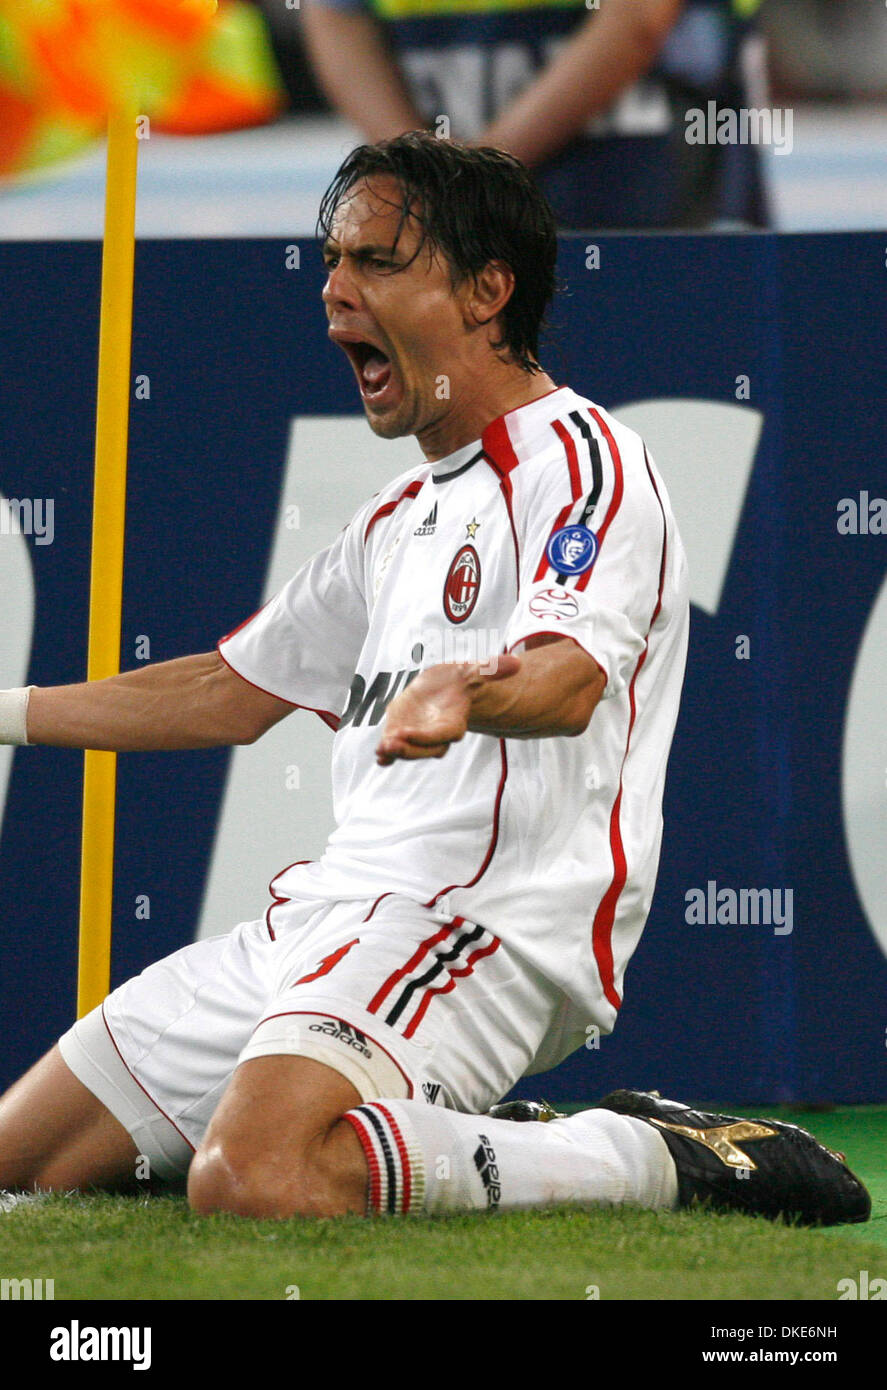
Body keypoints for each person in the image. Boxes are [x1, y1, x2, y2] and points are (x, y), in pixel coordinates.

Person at [0, 134, 867, 1227]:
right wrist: (7, 715)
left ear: (484, 291)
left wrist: (466, 695)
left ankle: (649, 1156)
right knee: (16, 1159)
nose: (331, 292)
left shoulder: (585, 462)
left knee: (254, 1179)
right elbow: (225, 690)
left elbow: (566, 682)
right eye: (329, 262)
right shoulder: (392, 522)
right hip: (318, 922)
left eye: (373, 262)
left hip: (482, 923)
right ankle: (442, 1134)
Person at [301, 0, 771, 230]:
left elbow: (638, 21)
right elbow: (336, 21)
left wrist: (447, 179)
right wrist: (431, 174)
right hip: (455, 219)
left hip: (647, 193)